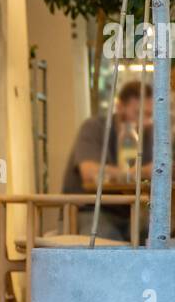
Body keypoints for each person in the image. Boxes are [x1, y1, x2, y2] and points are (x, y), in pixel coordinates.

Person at [61, 81, 154, 242]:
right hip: (89, 209)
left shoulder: (148, 133)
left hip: (130, 212)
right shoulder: (94, 128)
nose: (145, 121)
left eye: (149, 115)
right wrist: (137, 172)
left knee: (161, 237)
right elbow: (89, 173)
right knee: (108, 242)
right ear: (120, 108)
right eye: (138, 113)